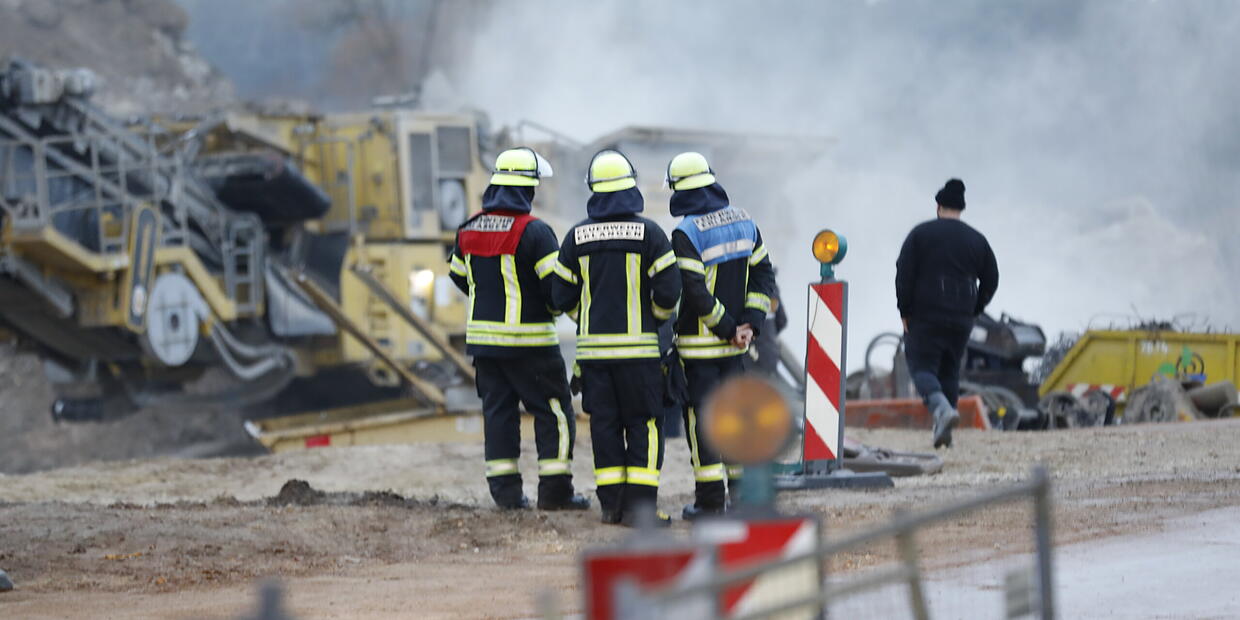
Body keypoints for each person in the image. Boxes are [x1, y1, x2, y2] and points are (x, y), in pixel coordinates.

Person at [448, 147, 588, 511]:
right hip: (532, 346)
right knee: (554, 412)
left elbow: (460, 278)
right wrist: (556, 308)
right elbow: (554, 290)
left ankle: (507, 496)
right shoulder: (536, 232)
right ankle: (555, 494)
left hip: (484, 347)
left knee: (498, 415)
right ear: (527, 189)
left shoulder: (468, 228)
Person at [551, 149, 681, 527]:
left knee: (605, 427)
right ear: (631, 187)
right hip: (640, 356)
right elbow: (669, 293)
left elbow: (560, 298)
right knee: (645, 427)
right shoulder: (652, 235)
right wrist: (654, 320)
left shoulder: (576, 237)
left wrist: (586, 318)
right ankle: (640, 512)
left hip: (594, 357)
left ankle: (611, 507)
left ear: (594, 189)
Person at [665, 152, 776, 520]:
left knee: (702, 423)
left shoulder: (686, 232)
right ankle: (743, 498)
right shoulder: (746, 222)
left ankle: (710, 502)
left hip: (699, 350)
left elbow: (694, 292)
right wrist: (750, 325)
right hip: (736, 349)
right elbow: (764, 278)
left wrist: (728, 328)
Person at [895, 178, 999, 449]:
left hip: (925, 317)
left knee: (922, 368)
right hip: (961, 319)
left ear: (939, 207)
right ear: (960, 209)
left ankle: (942, 410)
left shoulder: (920, 234)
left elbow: (904, 274)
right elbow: (992, 279)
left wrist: (904, 310)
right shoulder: (977, 240)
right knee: (950, 372)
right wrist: (975, 308)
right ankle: (946, 435)